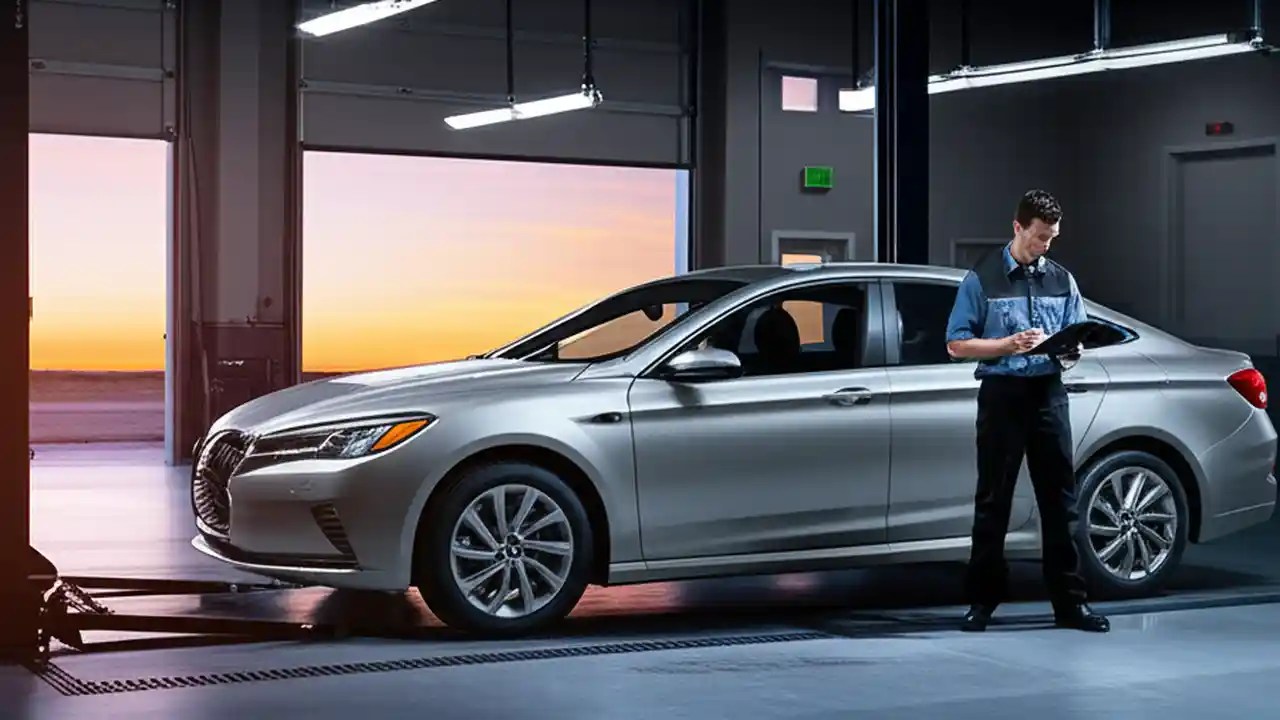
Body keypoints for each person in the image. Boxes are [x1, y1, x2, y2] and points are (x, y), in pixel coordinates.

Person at [944, 189, 1110, 633]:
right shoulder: (981, 279)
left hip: (1048, 395)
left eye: (1052, 238)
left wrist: (1072, 351)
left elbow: (1073, 340)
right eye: (1040, 237)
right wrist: (1006, 345)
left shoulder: (1063, 280)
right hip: (1002, 395)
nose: (1046, 246)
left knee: (1061, 503)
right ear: (1018, 228)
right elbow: (957, 343)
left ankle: (1070, 606)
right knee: (993, 500)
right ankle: (982, 603)